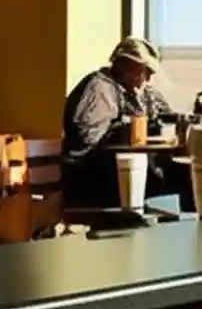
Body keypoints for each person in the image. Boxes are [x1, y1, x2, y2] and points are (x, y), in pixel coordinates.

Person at [61, 36, 176, 207]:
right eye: (143, 71)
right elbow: (88, 141)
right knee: (154, 177)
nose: (147, 79)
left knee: (180, 174)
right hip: (89, 178)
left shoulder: (139, 92)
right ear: (124, 66)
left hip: (115, 172)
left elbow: (167, 119)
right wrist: (126, 129)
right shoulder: (100, 89)